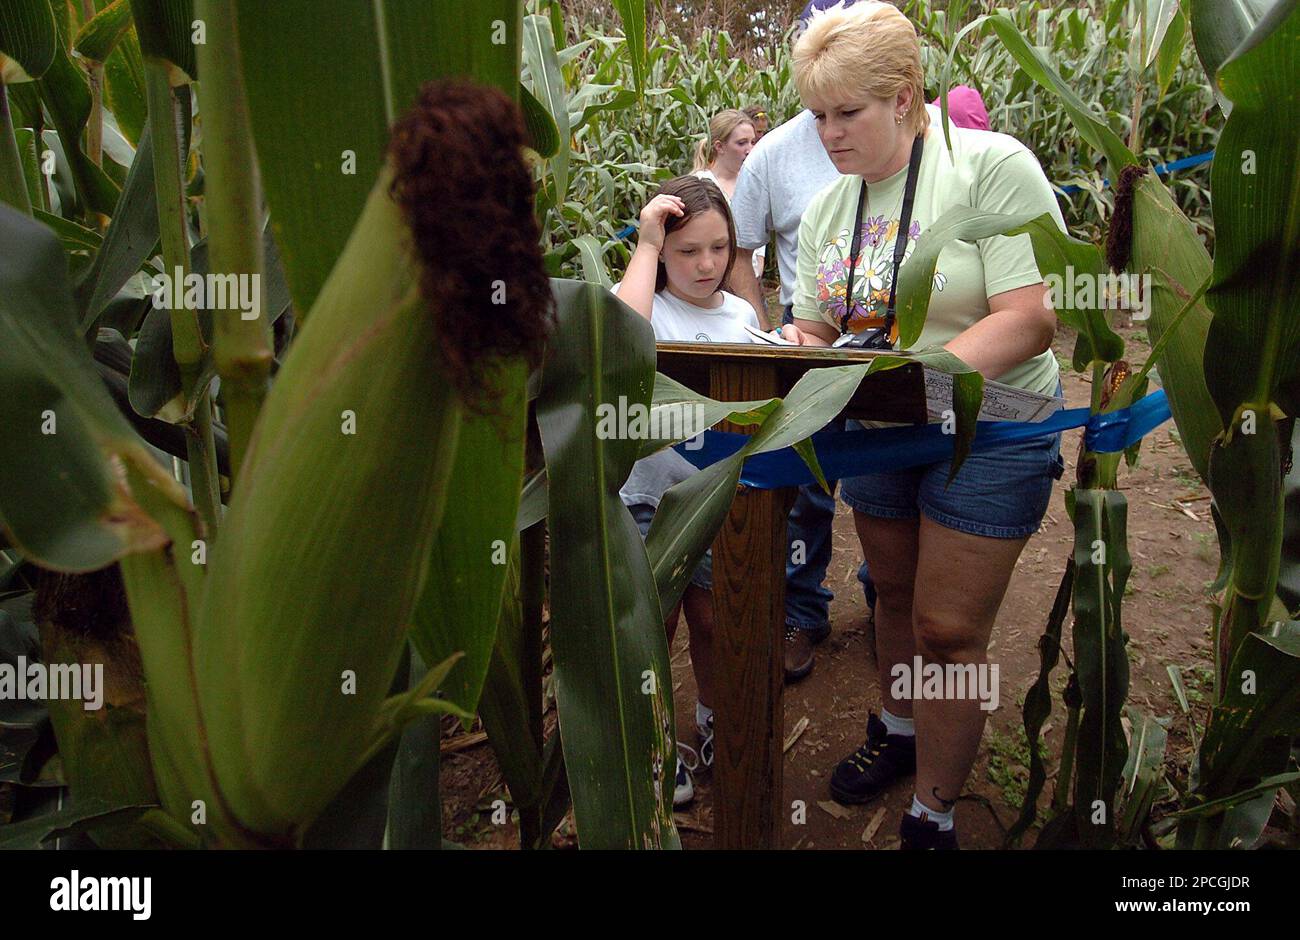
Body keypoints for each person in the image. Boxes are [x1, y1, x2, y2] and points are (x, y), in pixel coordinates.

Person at [781, 1, 1065, 849]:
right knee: (894, 595)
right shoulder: (833, 208)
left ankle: (936, 808)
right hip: (880, 428)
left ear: (904, 97)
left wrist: (917, 382)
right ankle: (900, 730)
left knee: (950, 628)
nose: (829, 134)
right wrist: (790, 347)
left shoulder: (991, 168)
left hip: (994, 423)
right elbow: (815, 328)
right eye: (818, 115)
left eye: (848, 113)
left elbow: (1029, 318)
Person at [613, 175, 761, 807]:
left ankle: (712, 719)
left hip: (715, 495)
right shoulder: (649, 304)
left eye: (719, 248)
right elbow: (619, 340)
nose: (706, 265)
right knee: (655, 625)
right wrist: (644, 248)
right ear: (662, 254)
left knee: (711, 617)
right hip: (650, 500)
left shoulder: (742, 315)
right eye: (685, 251)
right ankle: (650, 741)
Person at [692, 109, 765, 280]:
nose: (750, 150)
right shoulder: (701, 184)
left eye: (753, 142)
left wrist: (759, 264)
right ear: (719, 146)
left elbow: (758, 230)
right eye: (741, 143)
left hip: (751, 281)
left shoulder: (753, 182)